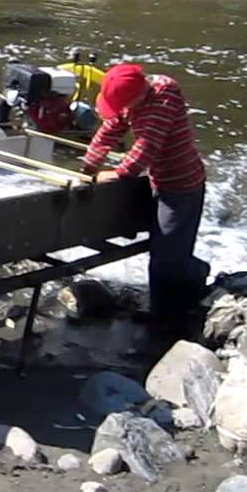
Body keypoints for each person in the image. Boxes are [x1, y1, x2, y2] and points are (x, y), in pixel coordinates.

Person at [81, 63, 209, 332]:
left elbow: (146, 147)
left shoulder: (164, 97)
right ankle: (163, 308)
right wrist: (89, 165)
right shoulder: (133, 101)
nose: (124, 111)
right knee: (162, 249)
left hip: (182, 185)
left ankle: (178, 306)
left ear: (140, 95)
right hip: (158, 181)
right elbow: (110, 129)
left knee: (167, 256)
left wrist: (117, 173)